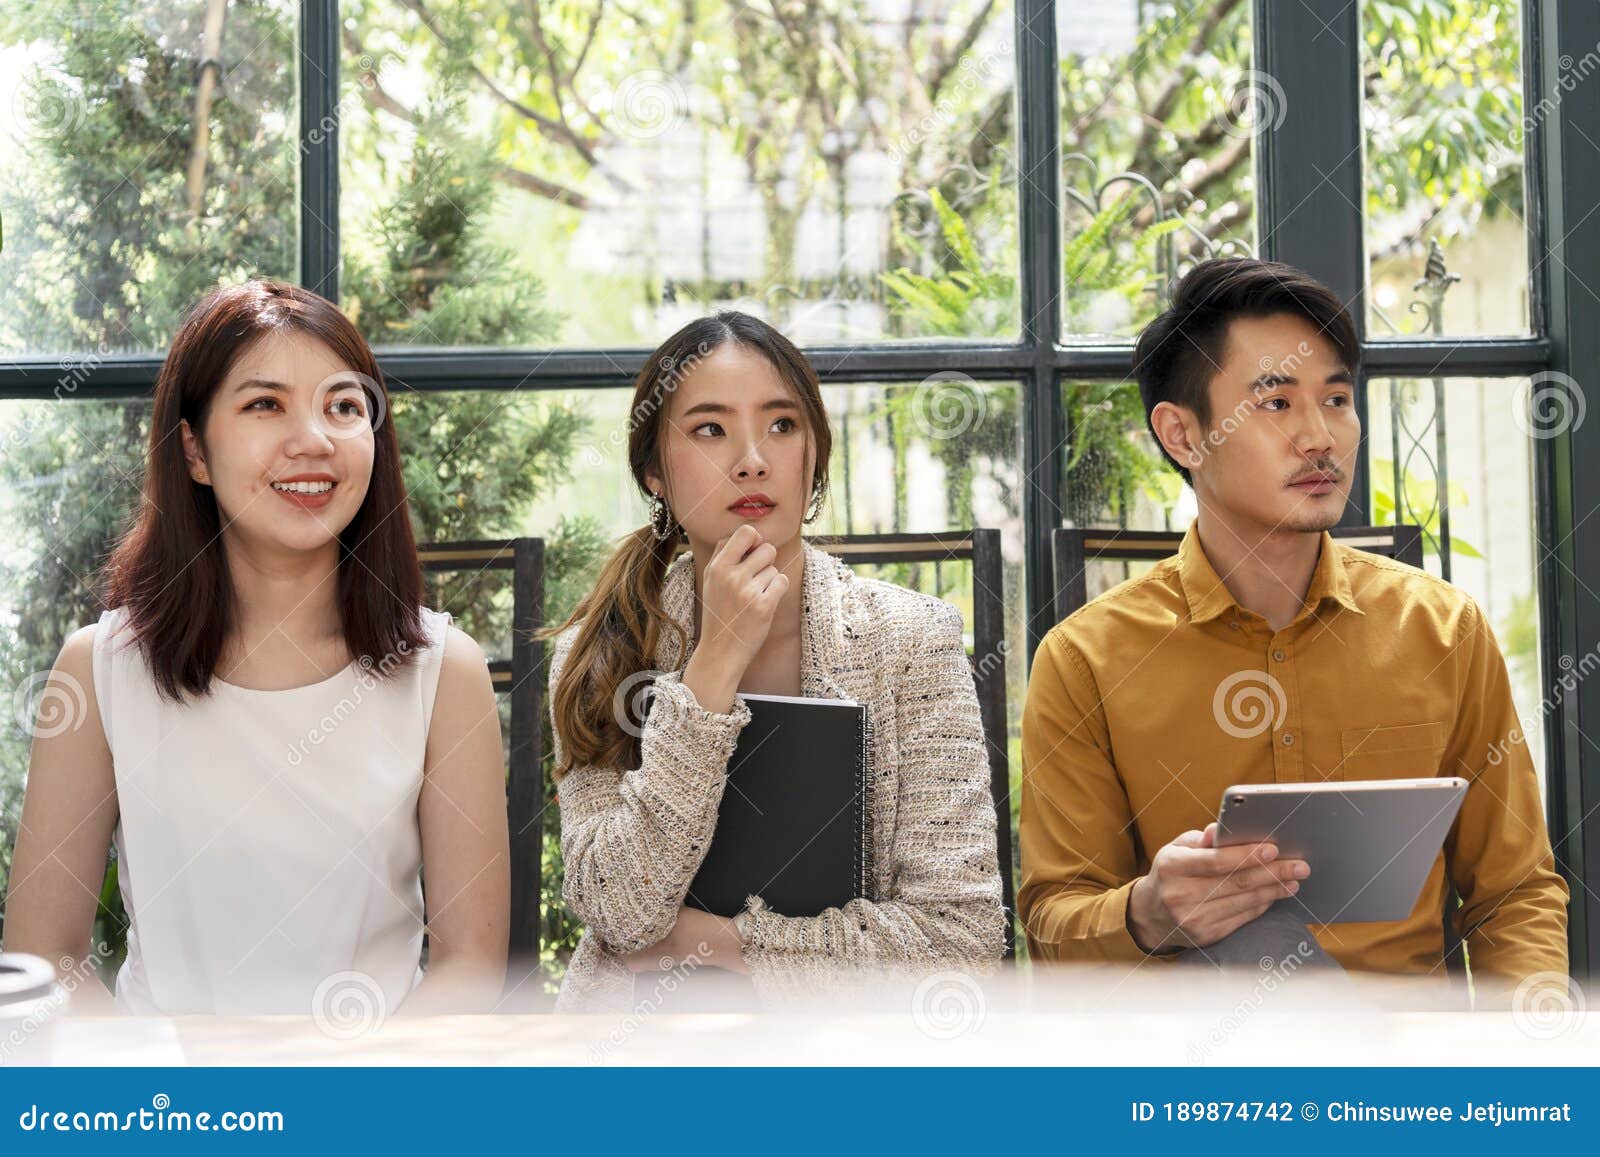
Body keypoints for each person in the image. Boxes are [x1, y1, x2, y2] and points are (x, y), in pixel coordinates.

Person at [1018, 258, 1568, 1002]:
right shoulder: (1084, 659)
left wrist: (1525, 1070)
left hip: (1408, 1077)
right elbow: (1053, 925)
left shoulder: (1445, 631)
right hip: (1201, 1081)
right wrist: (1146, 913)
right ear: (1183, 435)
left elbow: (1515, 891)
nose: (1321, 437)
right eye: (1275, 403)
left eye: (1337, 398)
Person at [2, 281, 509, 1015]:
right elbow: (46, 962)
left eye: (342, 406)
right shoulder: (100, 669)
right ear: (194, 451)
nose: (314, 439)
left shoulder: (442, 670)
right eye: (264, 404)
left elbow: (469, 967)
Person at [544, 310, 1006, 1012]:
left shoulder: (914, 642)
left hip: (847, 1059)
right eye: (710, 428)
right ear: (654, 471)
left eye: (782, 425)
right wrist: (714, 665)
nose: (752, 458)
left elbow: (962, 941)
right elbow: (619, 909)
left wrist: (715, 943)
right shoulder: (597, 655)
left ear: (813, 454)